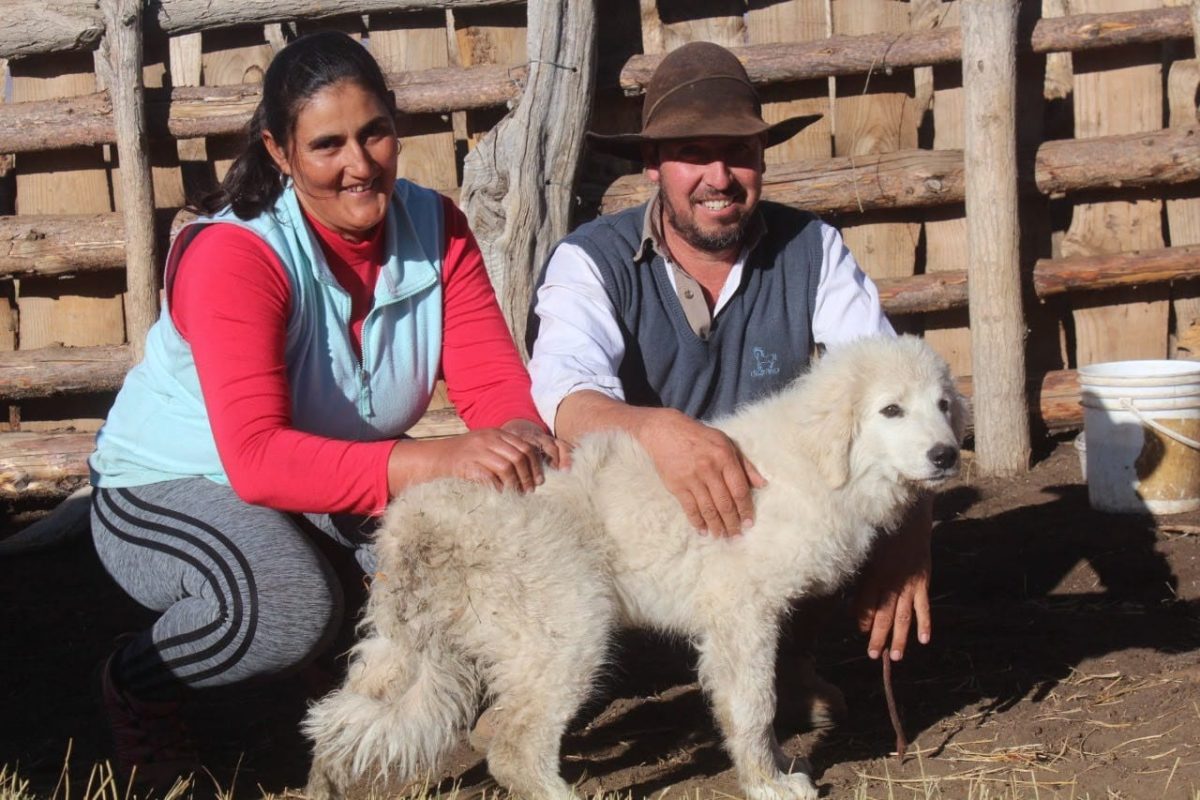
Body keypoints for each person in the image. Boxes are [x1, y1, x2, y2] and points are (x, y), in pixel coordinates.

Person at [87, 30, 566, 787]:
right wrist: (439, 459)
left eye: (375, 132)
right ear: (279, 153)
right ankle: (138, 684)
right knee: (283, 607)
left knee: (458, 573)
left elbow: (498, 393)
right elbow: (257, 460)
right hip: (173, 480)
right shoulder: (236, 255)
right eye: (328, 144)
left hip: (324, 474)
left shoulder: (434, 227)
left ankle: (368, 703)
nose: (360, 163)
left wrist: (520, 448)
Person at [527, 41, 934, 726]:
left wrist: (912, 537)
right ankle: (545, 677)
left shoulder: (813, 250)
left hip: (762, 534)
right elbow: (567, 398)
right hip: (642, 537)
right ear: (654, 165)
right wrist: (657, 431)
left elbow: (891, 379)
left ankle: (788, 663)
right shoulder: (590, 260)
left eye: (739, 152)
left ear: (763, 159)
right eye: (693, 153)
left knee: (840, 480)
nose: (720, 175)